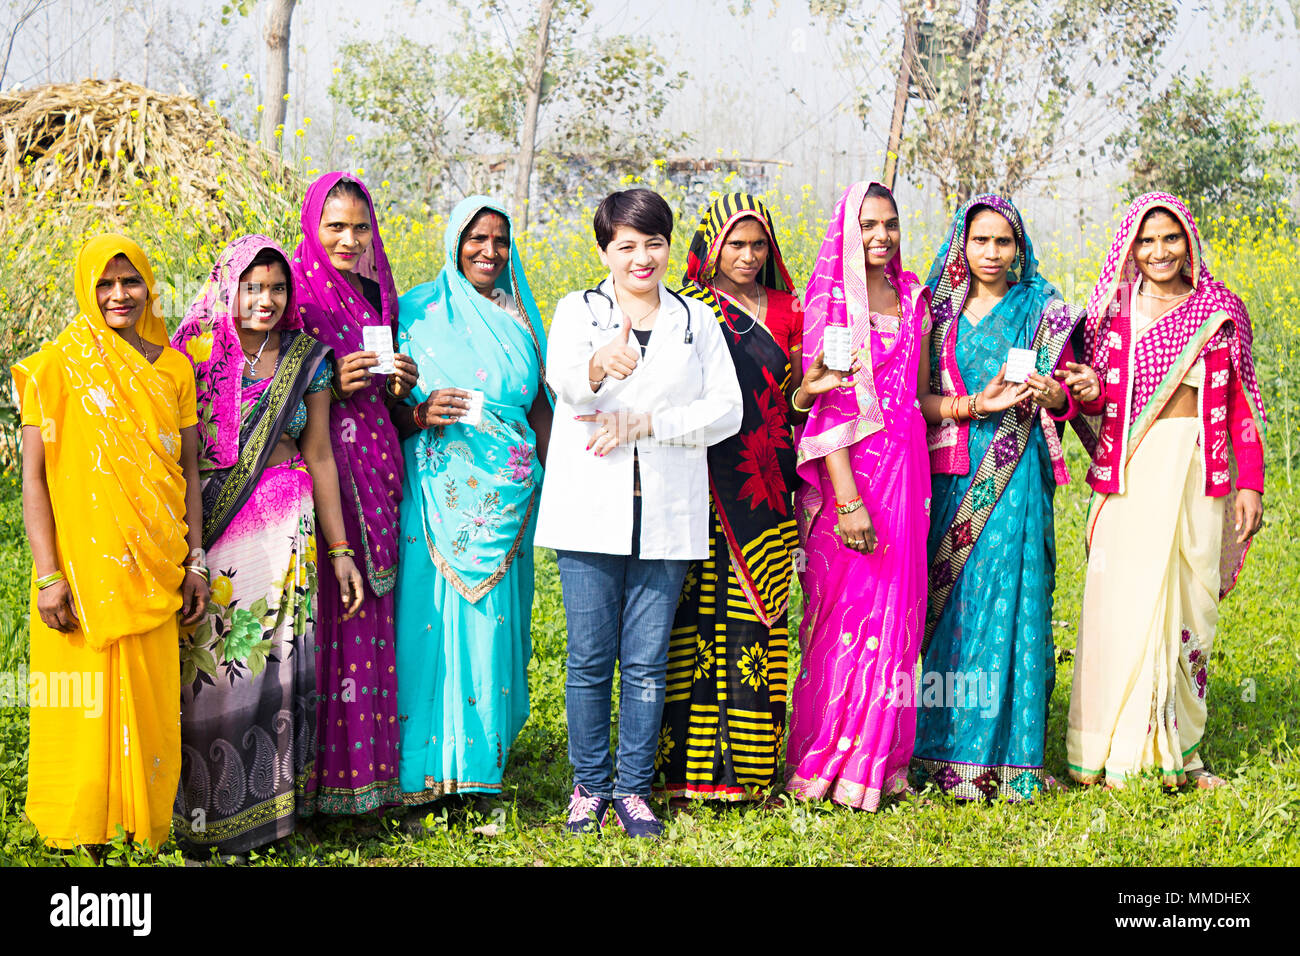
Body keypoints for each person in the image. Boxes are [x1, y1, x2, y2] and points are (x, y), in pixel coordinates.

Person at [535, 188, 743, 837]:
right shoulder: (579, 311)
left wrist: (652, 423)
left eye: (653, 242)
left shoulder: (693, 319)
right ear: (605, 251)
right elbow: (563, 381)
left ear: (668, 247)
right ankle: (589, 786)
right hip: (589, 511)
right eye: (627, 244)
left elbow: (726, 409)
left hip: (667, 513)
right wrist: (598, 365)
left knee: (649, 661)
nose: (642, 256)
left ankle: (632, 789)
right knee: (591, 658)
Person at [13, 234, 209, 855]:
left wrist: (195, 561)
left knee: (150, 701)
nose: (119, 295)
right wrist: (49, 575)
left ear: (150, 284)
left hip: (154, 563)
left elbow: (189, 472)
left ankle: (140, 827)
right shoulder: (54, 367)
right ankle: (82, 828)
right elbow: (35, 482)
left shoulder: (175, 368)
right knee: (82, 699)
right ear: (85, 288)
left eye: (131, 281)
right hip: (81, 568)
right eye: (104, 283)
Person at [170, 235, 365, 858]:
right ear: (228, 287)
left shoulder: (308, 359)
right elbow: (180, 457)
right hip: (216, 533)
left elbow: (321, 455)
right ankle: (202, 815)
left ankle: (274, 818)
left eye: (277, 288)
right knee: (211, 671)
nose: (266, 300)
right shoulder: (193, 356)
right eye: (252, 287)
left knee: (281, 670)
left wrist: (340, 552)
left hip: (288, 533)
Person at [1067, 193, 1266, 789]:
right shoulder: (1112, 311)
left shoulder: (1222, 309)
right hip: (1133, 473)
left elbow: (1243, 405)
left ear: (1190, 243)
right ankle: (1110, 750)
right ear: (1130, 247)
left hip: (1200, 472)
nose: (1158, 252)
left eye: (1171, 238)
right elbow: (1094, 398)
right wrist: (1083, 388)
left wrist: (1250, 482)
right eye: (1146, 240)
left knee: (1190, 606)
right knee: (1123, 605)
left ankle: (1182, 751)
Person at [657, 193, 849, 803]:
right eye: (734, 244)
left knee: (757, 618)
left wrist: (807, 391)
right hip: (698, 478)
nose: (746, 255)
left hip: (764, 482)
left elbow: (791, 404)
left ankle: (749, 773)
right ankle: (682, 771)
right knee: (692, 619)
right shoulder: (686, 309)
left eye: (757, 244)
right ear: (710, 248)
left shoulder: (790, 310)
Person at [913, 194, 1099, 802]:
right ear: (961, 246)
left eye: (1003, 241)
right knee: (955, 609)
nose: (991, 253)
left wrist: (1054, 397)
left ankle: (1013, 759)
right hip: (951, 472)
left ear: (1020, 248)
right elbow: (916, 402)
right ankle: (940, 751)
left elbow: (1070, 396)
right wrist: (973, 406)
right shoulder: (935, 311)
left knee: (1013, 603)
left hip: (1015, 476)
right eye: (980, 241)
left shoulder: (1042, 311)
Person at [392, 197, 553, 805]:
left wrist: (551, 478)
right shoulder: (418, 310)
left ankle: (482, 768)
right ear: (454, 242)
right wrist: (417, 412)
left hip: (507, 494)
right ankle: (424, 771)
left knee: (491, 623)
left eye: (500, 240)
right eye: (476, 238)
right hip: (437, 486)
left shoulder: (524, 317)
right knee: (428, 620)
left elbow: (540, 405)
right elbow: (385, 408)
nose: (489, 251)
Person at [784, 181, 932, 810]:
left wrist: (981, 404)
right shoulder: (830, 302)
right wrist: (847, 502)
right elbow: (824, 411)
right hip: (852, 477)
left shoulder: (916, 296)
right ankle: (826, 758)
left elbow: (919, 398)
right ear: (847, 231)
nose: (881, 237)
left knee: (898, 617)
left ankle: (880, 760)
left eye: (891, 224)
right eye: (868, 224)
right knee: (843, 618)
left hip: (909, 472)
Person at [292, 172, 419, 815]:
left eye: (359, 227)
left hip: (377, 462)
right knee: (324, 615)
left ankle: (367, 784)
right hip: (321, 470)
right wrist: (329, 382)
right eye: (335, 226)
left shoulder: (378, 290)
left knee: (370, 616)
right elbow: (272, 383)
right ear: (313, 225)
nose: (348, 238)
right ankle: (312, 789)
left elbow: (393, 399)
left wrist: (401, 385)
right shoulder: (296, 291)